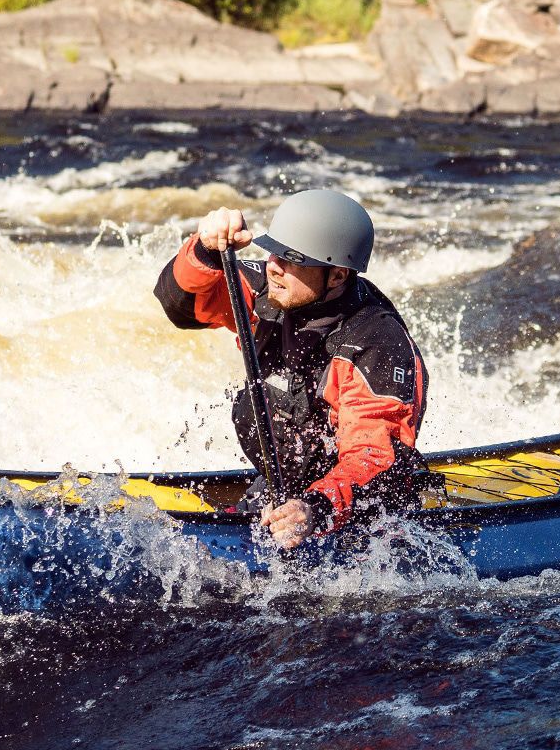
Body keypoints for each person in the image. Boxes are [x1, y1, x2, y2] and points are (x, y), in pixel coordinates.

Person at [153, 189, 430, 552]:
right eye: (273, 252)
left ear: (337, 275)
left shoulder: (376, 342)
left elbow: (374, 457)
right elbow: (182, 305)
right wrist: (205, 250)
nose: (273, 266)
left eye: (292, 259)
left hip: (355, 515)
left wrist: (314, 509)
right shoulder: (270, 290)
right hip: (285, 490)